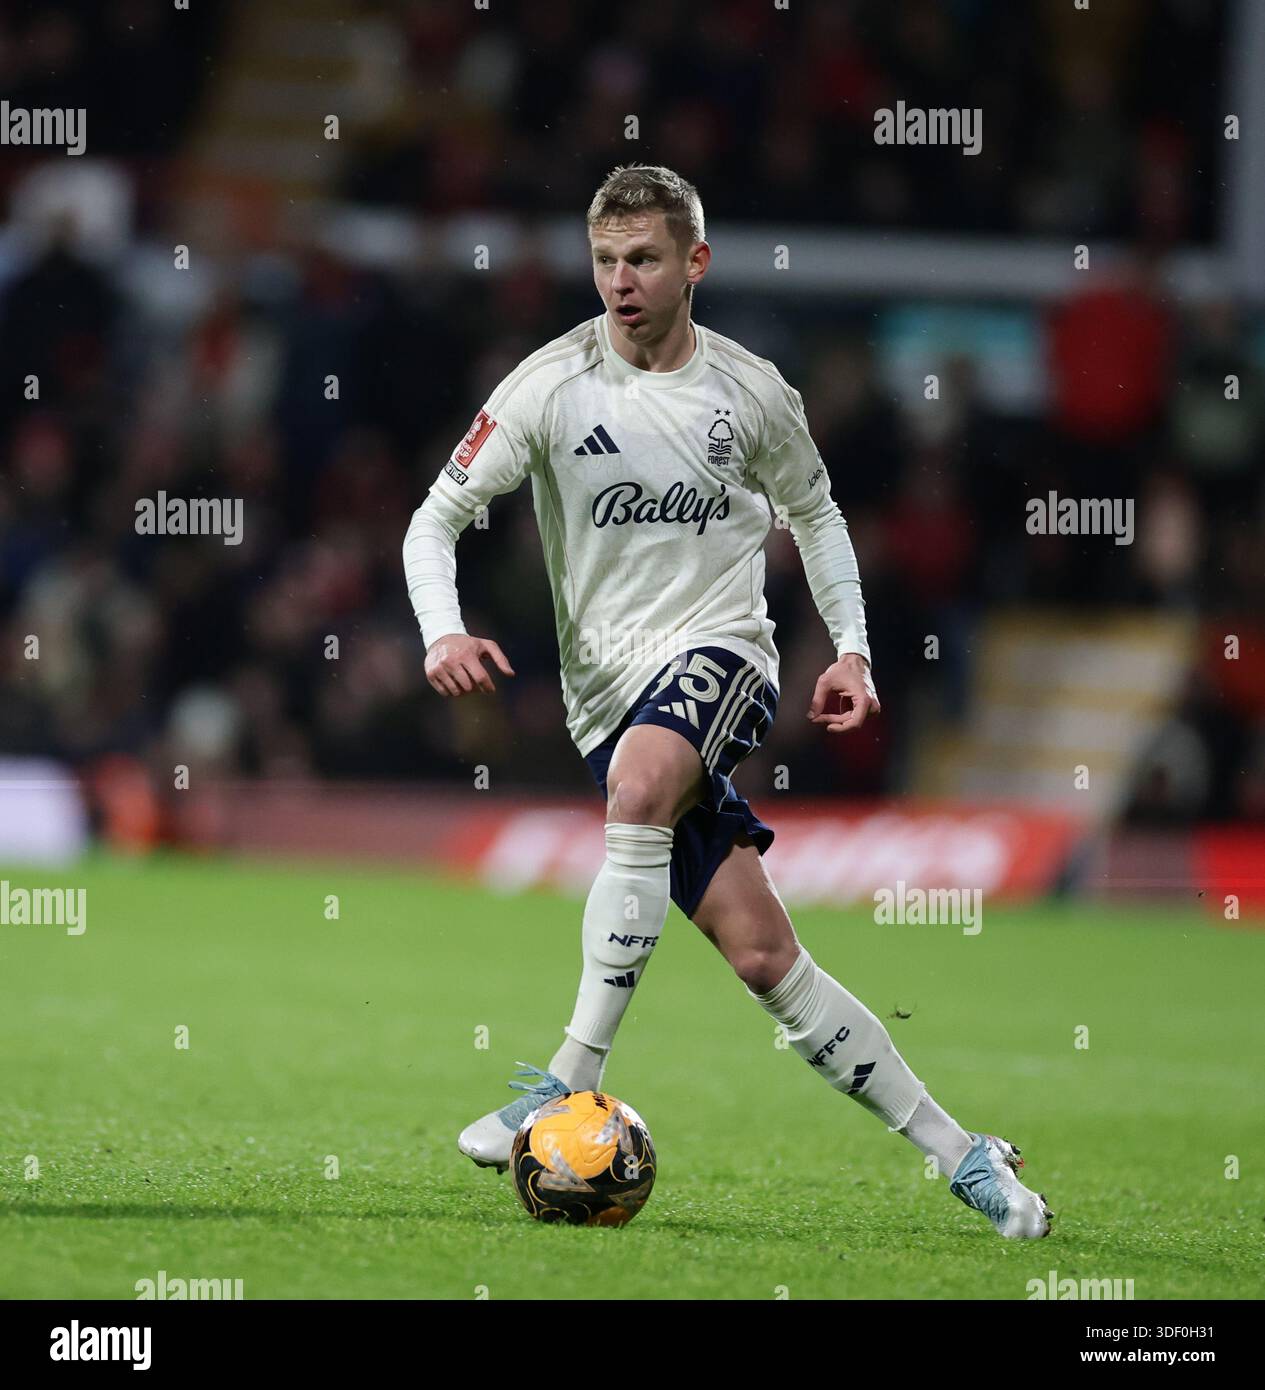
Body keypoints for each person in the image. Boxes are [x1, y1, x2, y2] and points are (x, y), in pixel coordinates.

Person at [402, 164, 1051, 1238]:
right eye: (605, 260)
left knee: (642, 780)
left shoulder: (747, 391)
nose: (620, 280)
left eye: (644, 258)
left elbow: (820, 513)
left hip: (722, 655)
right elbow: (435, 518)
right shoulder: (549, 383)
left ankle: (566, 1080)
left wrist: (850, 649)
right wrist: (442, 630)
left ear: (693, 263)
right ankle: (960, 1150)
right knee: (762, 957)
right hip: (605, 690)